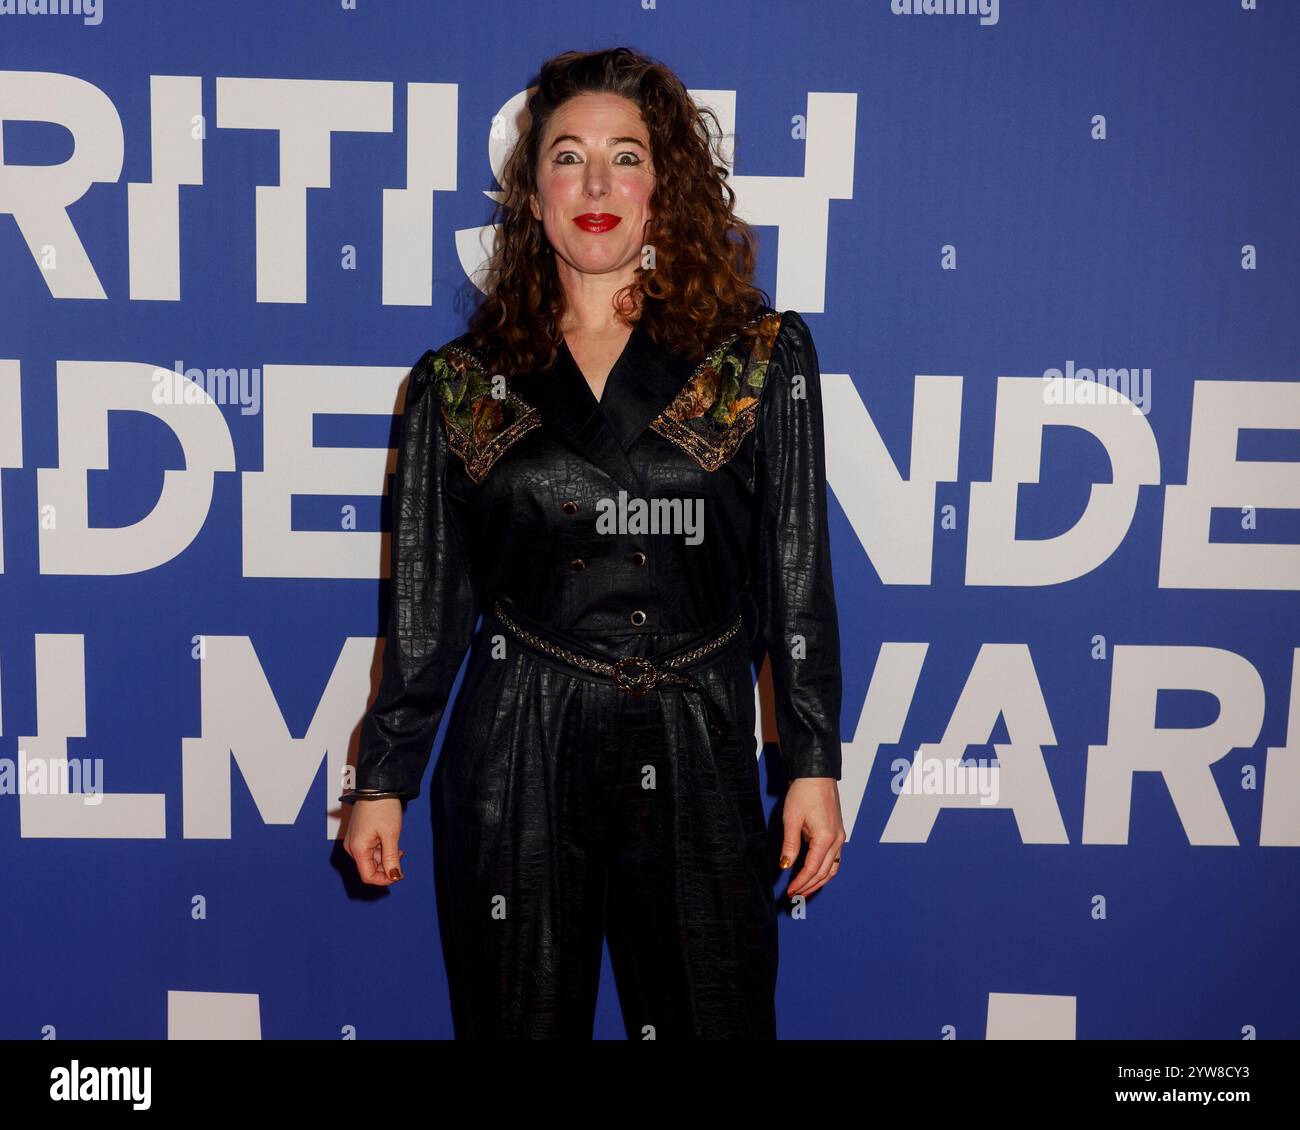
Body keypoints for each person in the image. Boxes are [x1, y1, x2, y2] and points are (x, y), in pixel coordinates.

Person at [341, 46, 845, 1040]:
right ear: (531, 195)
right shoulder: (460, 382)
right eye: (568, 157)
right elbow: (426, 611)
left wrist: (812, 763)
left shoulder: (757, 356)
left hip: (695, 734)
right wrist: (382, 778)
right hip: (517, 742)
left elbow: (796, 577)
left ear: (666, 187)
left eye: (626, 155)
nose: (598, 183)